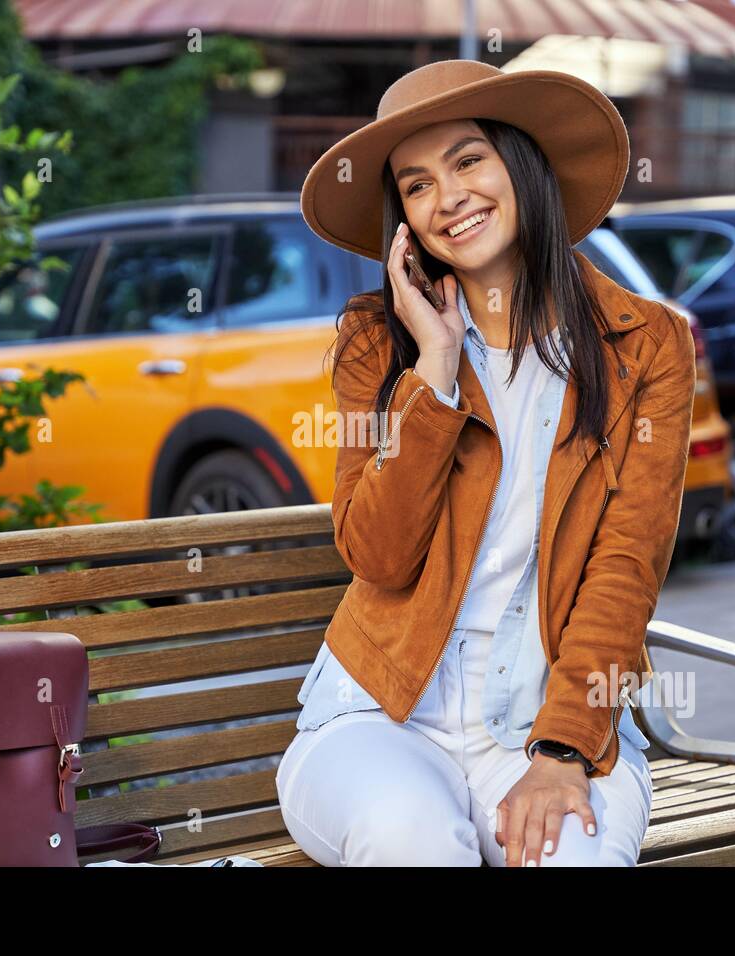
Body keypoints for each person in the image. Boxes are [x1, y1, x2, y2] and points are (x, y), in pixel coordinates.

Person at [278, 59, 696, 867]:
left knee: (571, 857)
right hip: (380, 720)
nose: (450, 198)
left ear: (522, 163)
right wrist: (431, 374)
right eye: (416, 184)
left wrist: (565, 751)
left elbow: (626, 563)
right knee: (416, 840)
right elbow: (379, 555)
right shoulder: (377, 343)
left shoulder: (648, 347)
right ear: (403, 219)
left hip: (551, 723)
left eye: (469, 160)